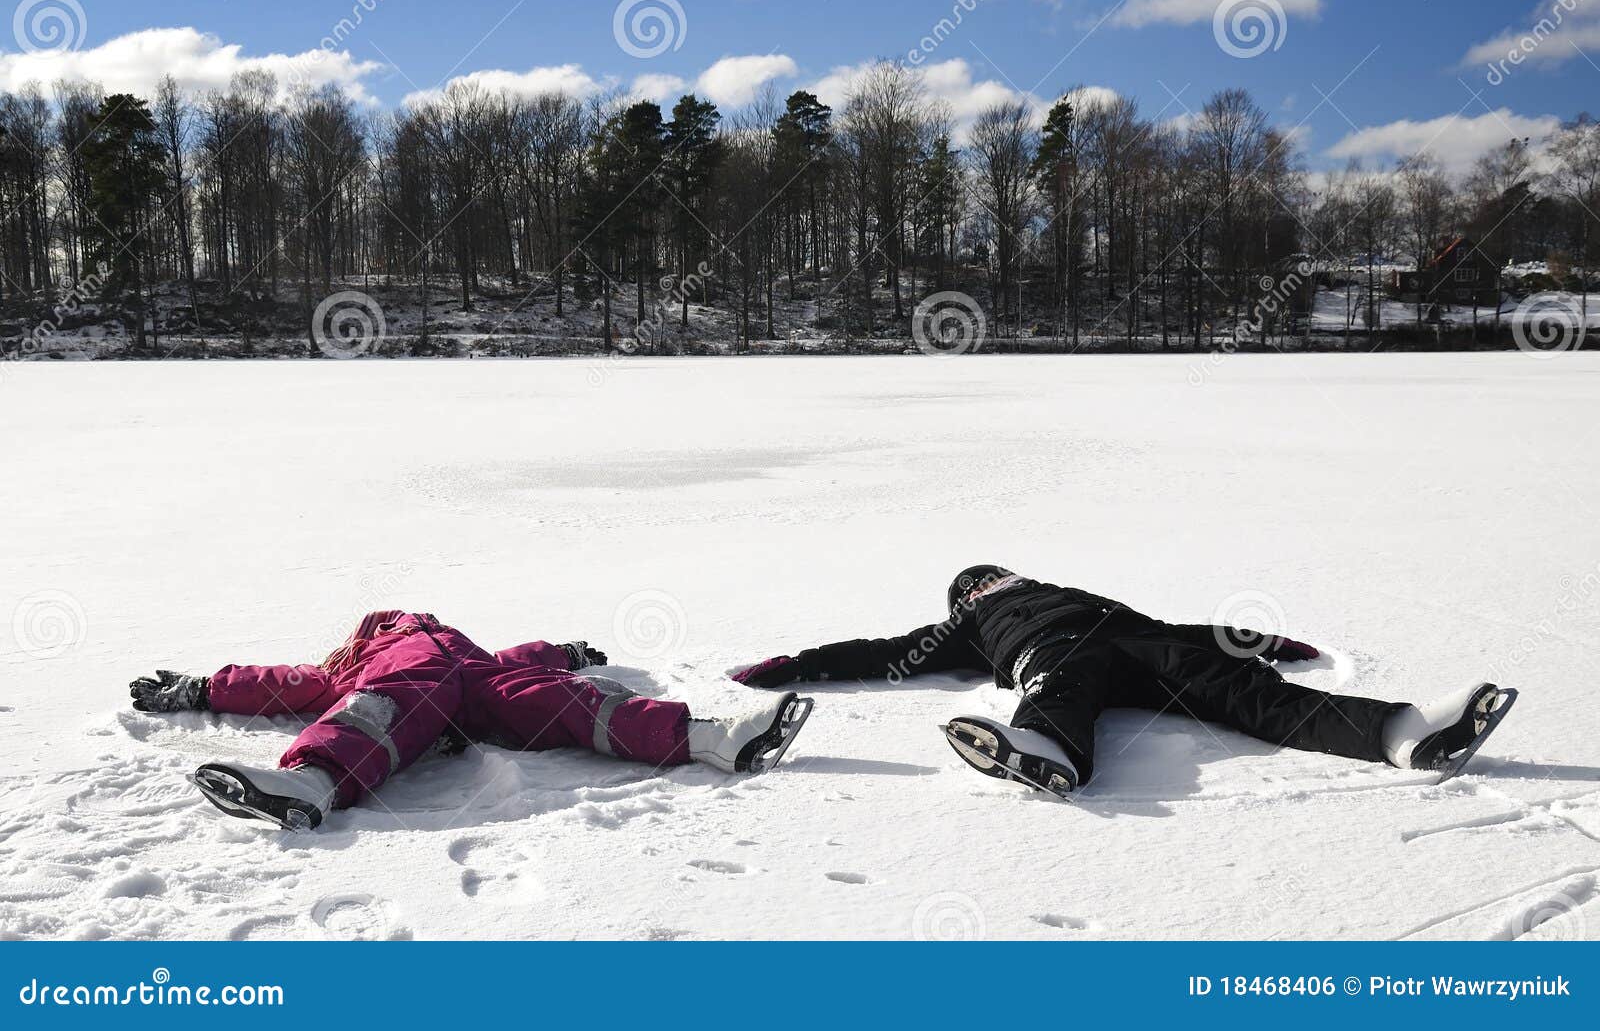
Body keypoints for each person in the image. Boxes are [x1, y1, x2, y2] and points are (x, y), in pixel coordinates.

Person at [730, 566, 1513, 799]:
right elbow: (877, 651)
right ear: (966, 599)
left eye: (993, 577)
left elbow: (1182, 631)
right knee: (1058, 692)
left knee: (1255, 697)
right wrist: (792, 665)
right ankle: (1053, 753)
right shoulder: (967, 629)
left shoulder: (1079, 592)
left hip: (1143, 645)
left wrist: (1267, 643)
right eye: (979, 584)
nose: (990, 587)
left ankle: (1403, 735)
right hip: (1062, 654)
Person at [132, 609, 812, 831]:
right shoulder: (367, 662)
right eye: (399, 620)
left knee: (571, 702)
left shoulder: (457, 644)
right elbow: (286, 684)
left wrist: (564, 654)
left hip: (483, 684)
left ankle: (716, 739)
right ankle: (310, 785)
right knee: (378, 710)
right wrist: (203, 688)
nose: (414, 619)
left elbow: (515, 657)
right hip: (419, 690)